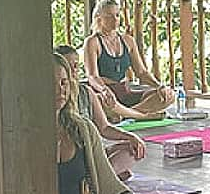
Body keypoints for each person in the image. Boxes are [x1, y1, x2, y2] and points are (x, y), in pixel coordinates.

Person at [51, 52, 170, 194]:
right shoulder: (21, 137)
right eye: (51, 84)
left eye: (64, 82)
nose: (60, 90)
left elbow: (110, 187)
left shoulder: (81, 129)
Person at [57, 44, 146, 181]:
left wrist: (130, 137)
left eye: (76, 65)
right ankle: (107, 177)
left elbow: (104, 127)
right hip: (72, 158)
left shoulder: (86, 92)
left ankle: (104, 176)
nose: (74, 70)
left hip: (94, 153)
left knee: (133, 149)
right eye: (69, 65)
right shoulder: (57, 96)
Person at [82, 0, 174, 122]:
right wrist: (104, 90)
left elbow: (141, 72)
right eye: (109, 16)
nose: (115, 19)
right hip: (106, 94)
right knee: (100, 102)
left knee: (168, 96)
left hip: (125, 92)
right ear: (99, 17)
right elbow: (92, 76)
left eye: (117, 15)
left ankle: (126, 115)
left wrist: (160, 86)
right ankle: (141, 114)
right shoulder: (92, 42)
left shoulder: (128, 40)